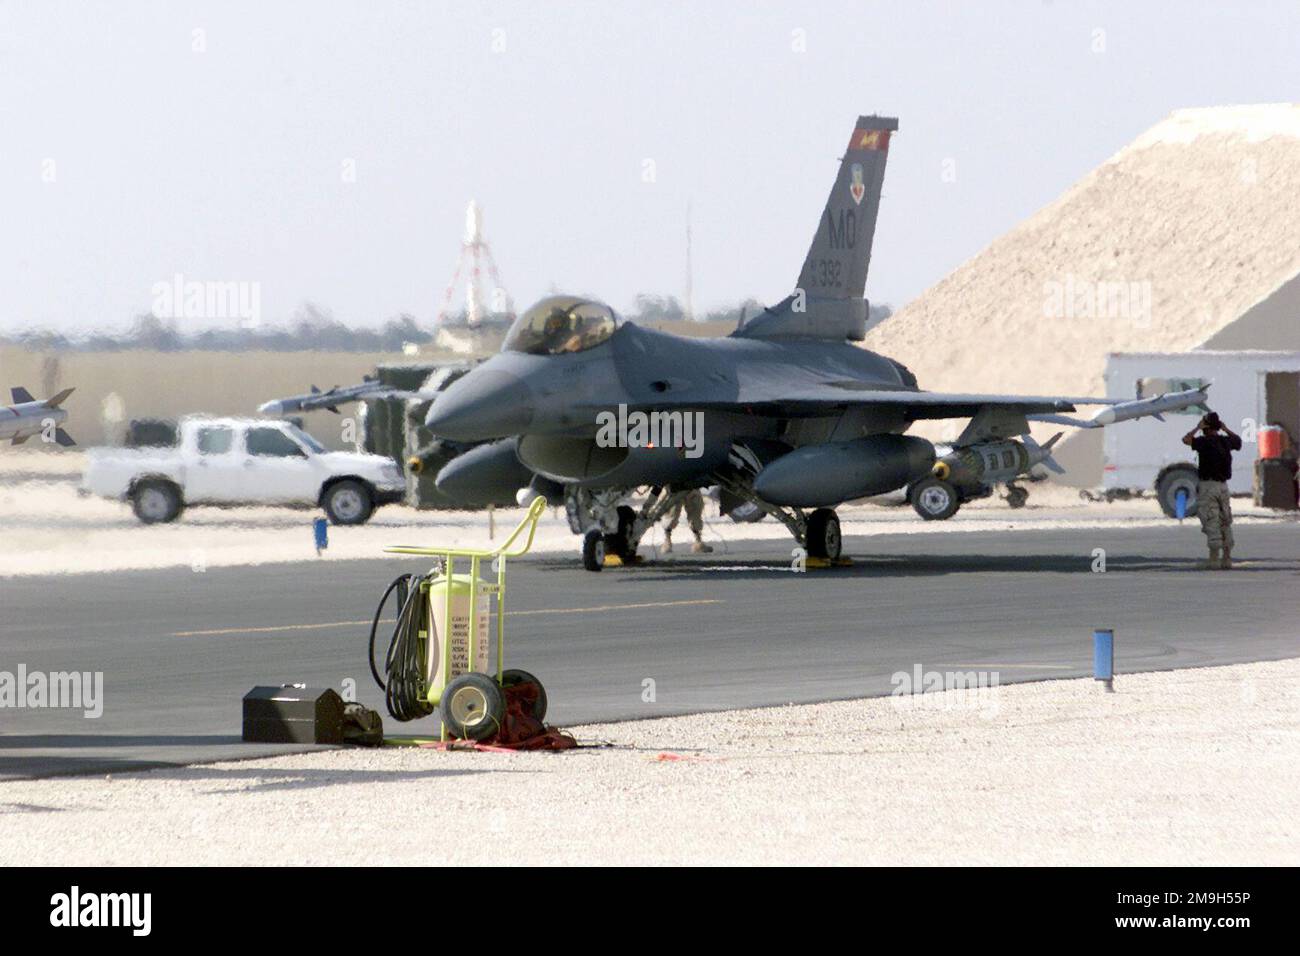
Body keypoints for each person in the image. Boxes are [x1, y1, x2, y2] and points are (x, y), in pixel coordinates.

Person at [1182, 411, 1242, 569]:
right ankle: (1227, 558)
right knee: (1225, 520)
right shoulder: (1226, 442)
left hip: (1208, 486)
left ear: (1205, 427)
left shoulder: (1203, 442)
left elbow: (1186, 440)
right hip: (1223, 486)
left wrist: (1196, 427)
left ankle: (1214, 559)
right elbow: (1238, 442)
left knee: (1211, 519)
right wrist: (1226, 429)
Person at [662, 489, 712, 554]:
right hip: (674, 486)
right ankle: (667, 540)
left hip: (692, 486)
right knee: (671, 515)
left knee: (695, 512)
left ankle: (698, 542)